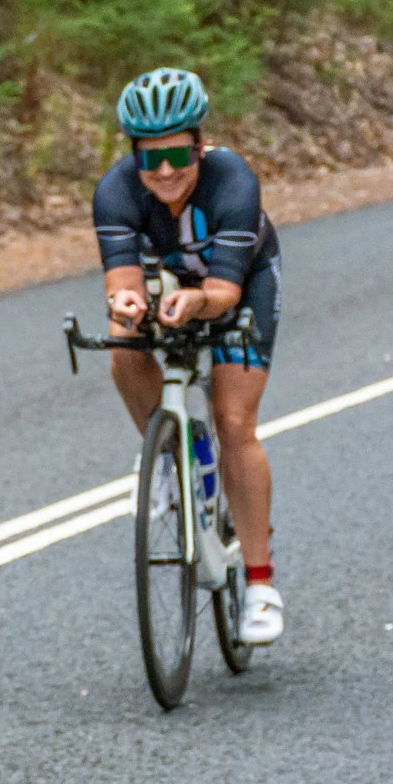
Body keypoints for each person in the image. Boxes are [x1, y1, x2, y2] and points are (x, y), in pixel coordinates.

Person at [92, 67, 286, 645]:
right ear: (135, 159)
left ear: (199, 145)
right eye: (152, 159)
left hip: (237, 286)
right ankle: (169, 453)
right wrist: (126, 303)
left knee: (233, 421)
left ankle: (259, 584)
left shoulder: (232, 181)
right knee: (123, 345)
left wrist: (195, 301)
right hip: (170, 284)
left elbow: (223, 295)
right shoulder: (115, 191)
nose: (167, 170)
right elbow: (121, 280)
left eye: (178, 153)